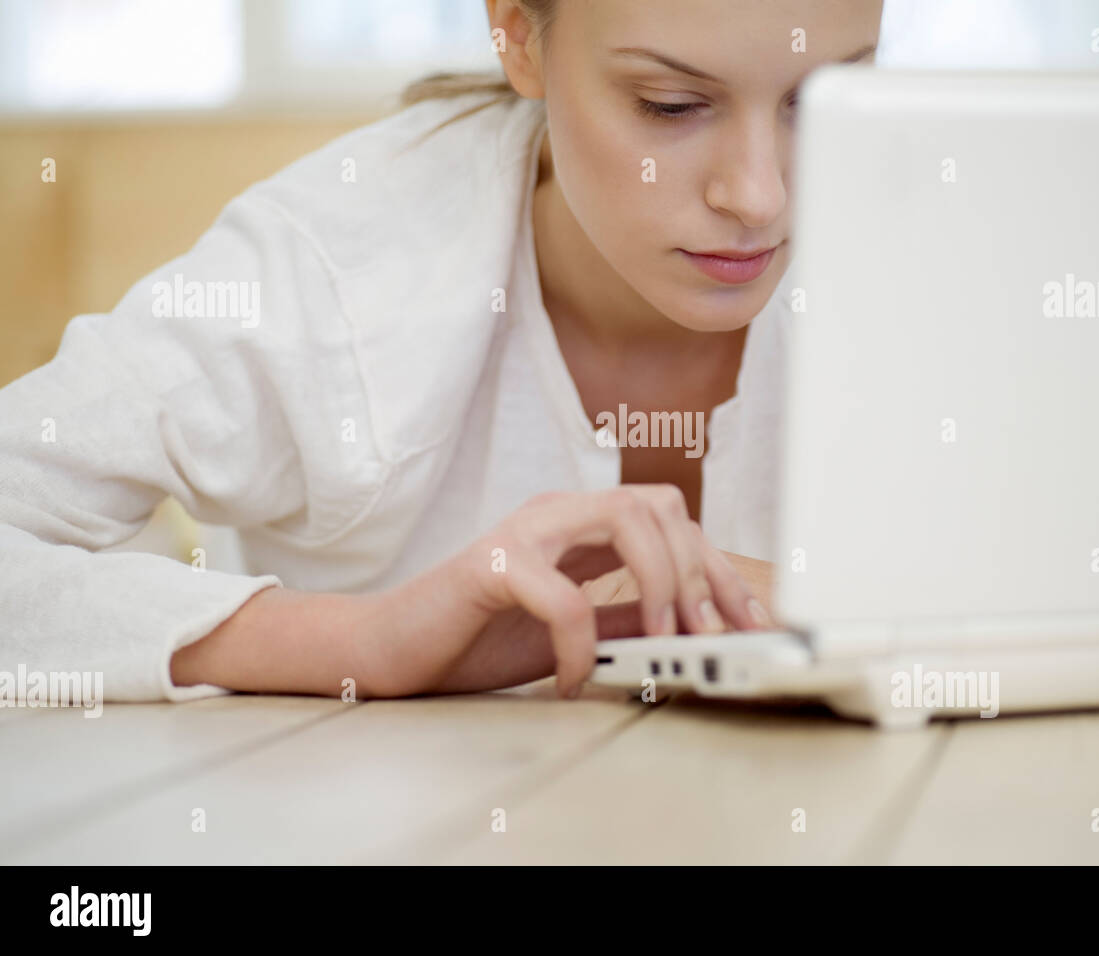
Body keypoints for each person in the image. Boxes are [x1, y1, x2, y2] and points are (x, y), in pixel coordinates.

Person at [0, 0, 882, 703]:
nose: (760, 197)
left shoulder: (936, 237)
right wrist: (368, 642)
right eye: (671, 105)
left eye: (824, 99)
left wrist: (820, 595)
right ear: (519, 38)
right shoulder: (336, 267)